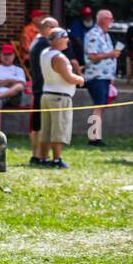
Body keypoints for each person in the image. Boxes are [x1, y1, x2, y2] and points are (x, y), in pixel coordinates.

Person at [37, 29, 83, 168]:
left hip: (47, 95)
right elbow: (68, 77)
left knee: (46, 129)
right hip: (59, 97)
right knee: (59, 129)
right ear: (57, 39)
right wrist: (80, 78)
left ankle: (44, 158)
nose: (67, 40)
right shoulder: (59, 57)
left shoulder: (44, 53)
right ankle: (57, 160)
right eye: (65, 37)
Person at [82, 9, 121, 147]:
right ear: (102, 19)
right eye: (110, 19)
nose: (112, 21)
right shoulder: (94, 34)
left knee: (101, 106)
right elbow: (92, 56)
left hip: (105, 77)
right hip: (96, 76)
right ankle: (93, 138)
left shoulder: (106, 35)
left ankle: (96, 135)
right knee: (98, 106)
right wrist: (110, 54)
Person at [27, 16, 59, 166]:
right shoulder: (43, 44)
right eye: (55, 29)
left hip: (39, 87)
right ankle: (38, 156)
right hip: (42, 88)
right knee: (41, 124)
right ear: (47, 28)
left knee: (38, 123)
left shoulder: (37, 41)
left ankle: (37, 155)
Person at [0, 43, 27, 132]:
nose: (7, 57)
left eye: (9, 54)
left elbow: (22, 84)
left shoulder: (19, 70)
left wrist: (0, 82)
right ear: (1, 55)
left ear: (13, 56)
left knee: (19, 86)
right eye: (5, 54)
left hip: (14, 97)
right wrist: (8, 81)